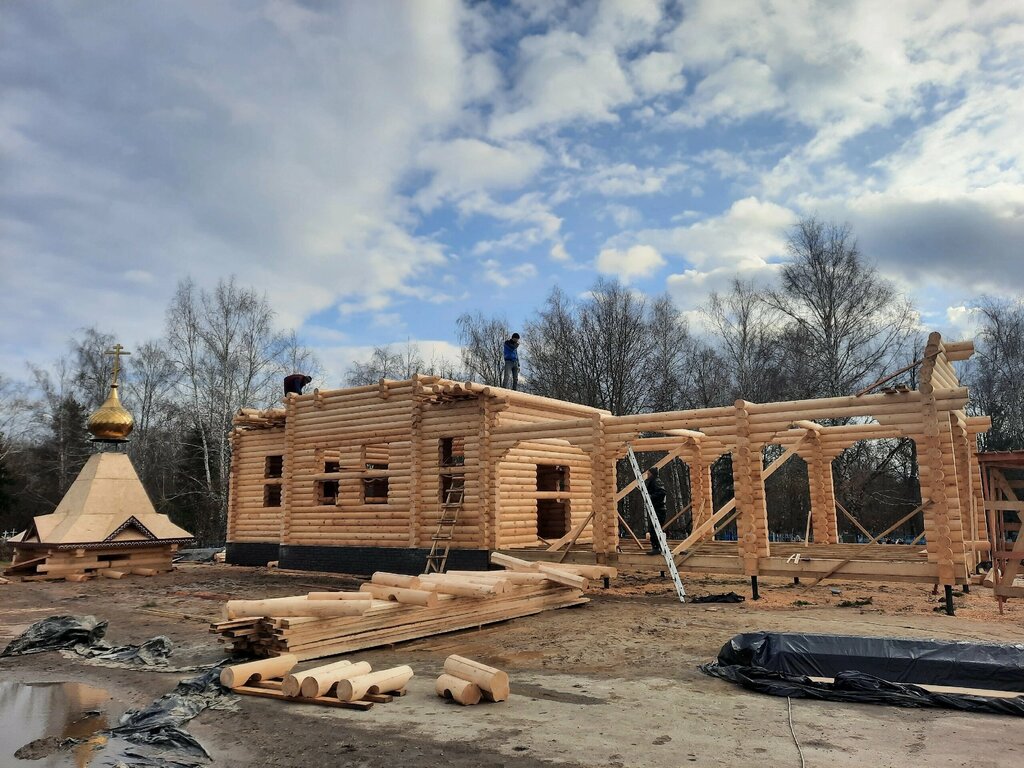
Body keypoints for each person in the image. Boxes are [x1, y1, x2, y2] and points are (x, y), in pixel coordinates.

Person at [644, 467, 668, 555]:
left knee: (655, 529)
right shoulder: (653, 481)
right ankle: (658, 547)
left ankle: (657, 548)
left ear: (652, 474)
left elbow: (662, 492)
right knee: (654, 529)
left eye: (648, 473)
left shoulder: (656, 481)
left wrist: (651, 497)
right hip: (657, 509)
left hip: (659, 509)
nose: (647, 475)